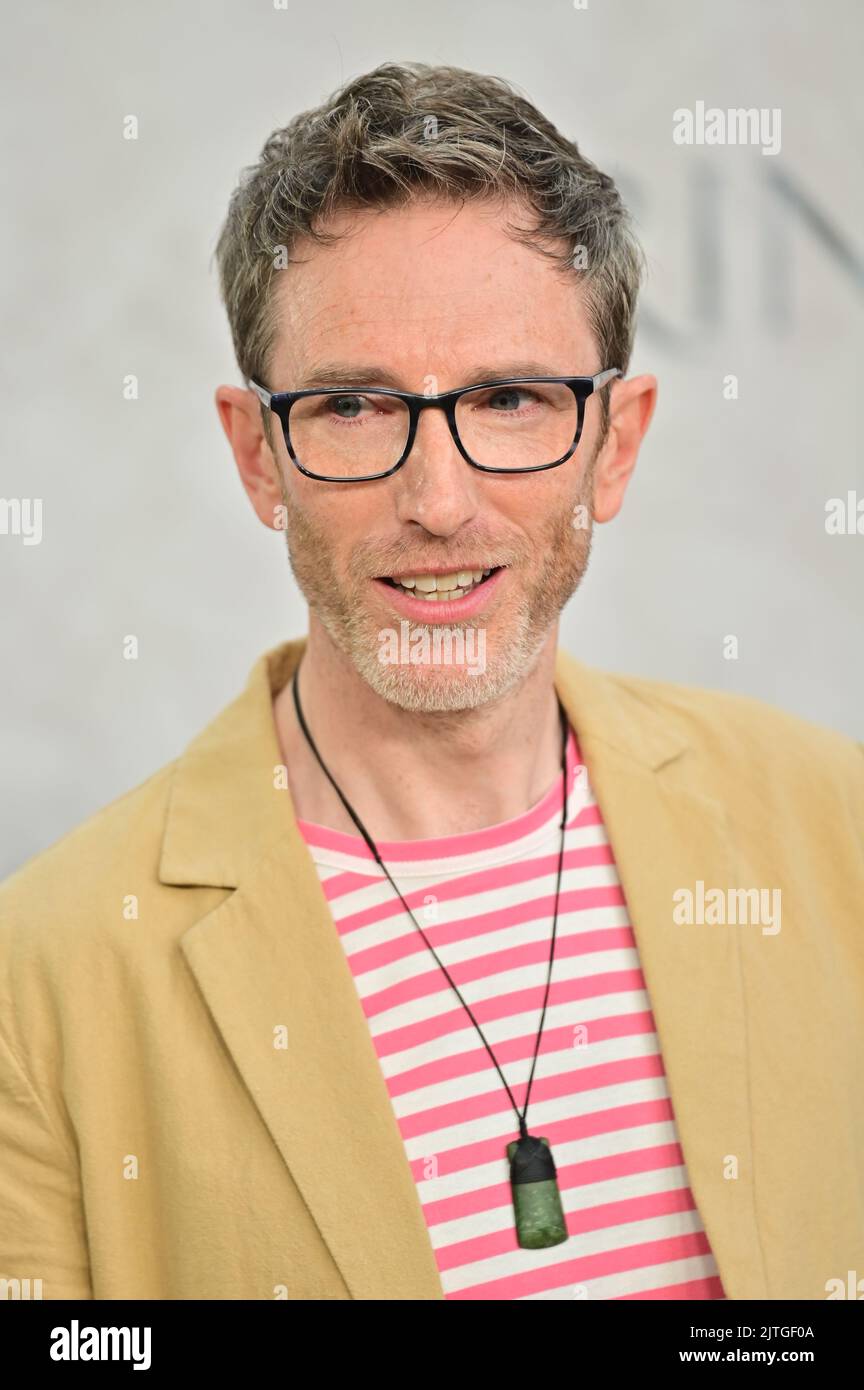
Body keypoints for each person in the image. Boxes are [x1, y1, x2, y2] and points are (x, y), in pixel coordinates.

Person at [1, 61, 861, 1303]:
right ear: (259, 458)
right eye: (355, 406)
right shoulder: (42, 977)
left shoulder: (836, 827)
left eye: (510, 398)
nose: (439, 502)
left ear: (614, 446)